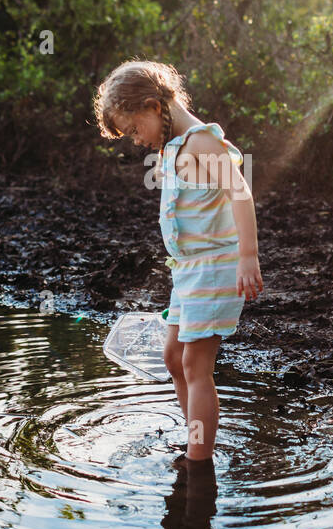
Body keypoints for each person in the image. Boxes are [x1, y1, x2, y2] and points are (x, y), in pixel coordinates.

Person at [93, 58, 263, 464]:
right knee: (173, 357)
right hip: (188, 273)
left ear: (154, 105)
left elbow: (240, 193)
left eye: (134, 129)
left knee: (194, 362)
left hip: (217, 266)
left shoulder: (202, 143)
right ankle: (195, 437)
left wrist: (248, 256)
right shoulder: (174, 147)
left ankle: (199, 460)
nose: (136, 140)